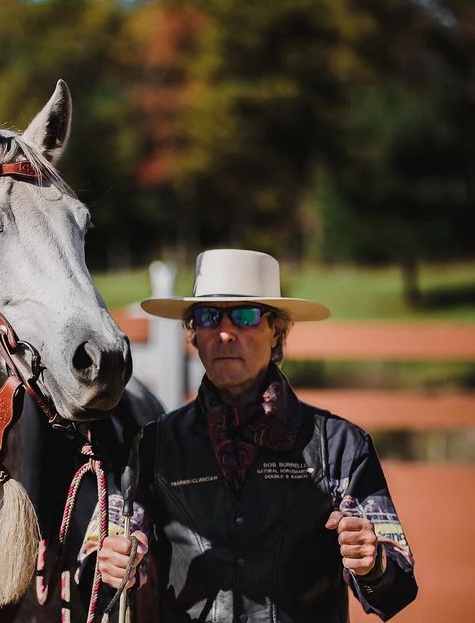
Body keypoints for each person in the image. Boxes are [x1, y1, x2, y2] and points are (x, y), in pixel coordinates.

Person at [97, 249, 418, 622]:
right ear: (194, 335)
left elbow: (398, 589)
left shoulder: (341, 446)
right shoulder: (150, 448)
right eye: (207, 316)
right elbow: (98, 561)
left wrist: (373, 564)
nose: (225, 332)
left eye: (245, 315)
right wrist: (112, 563)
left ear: (276, 331)